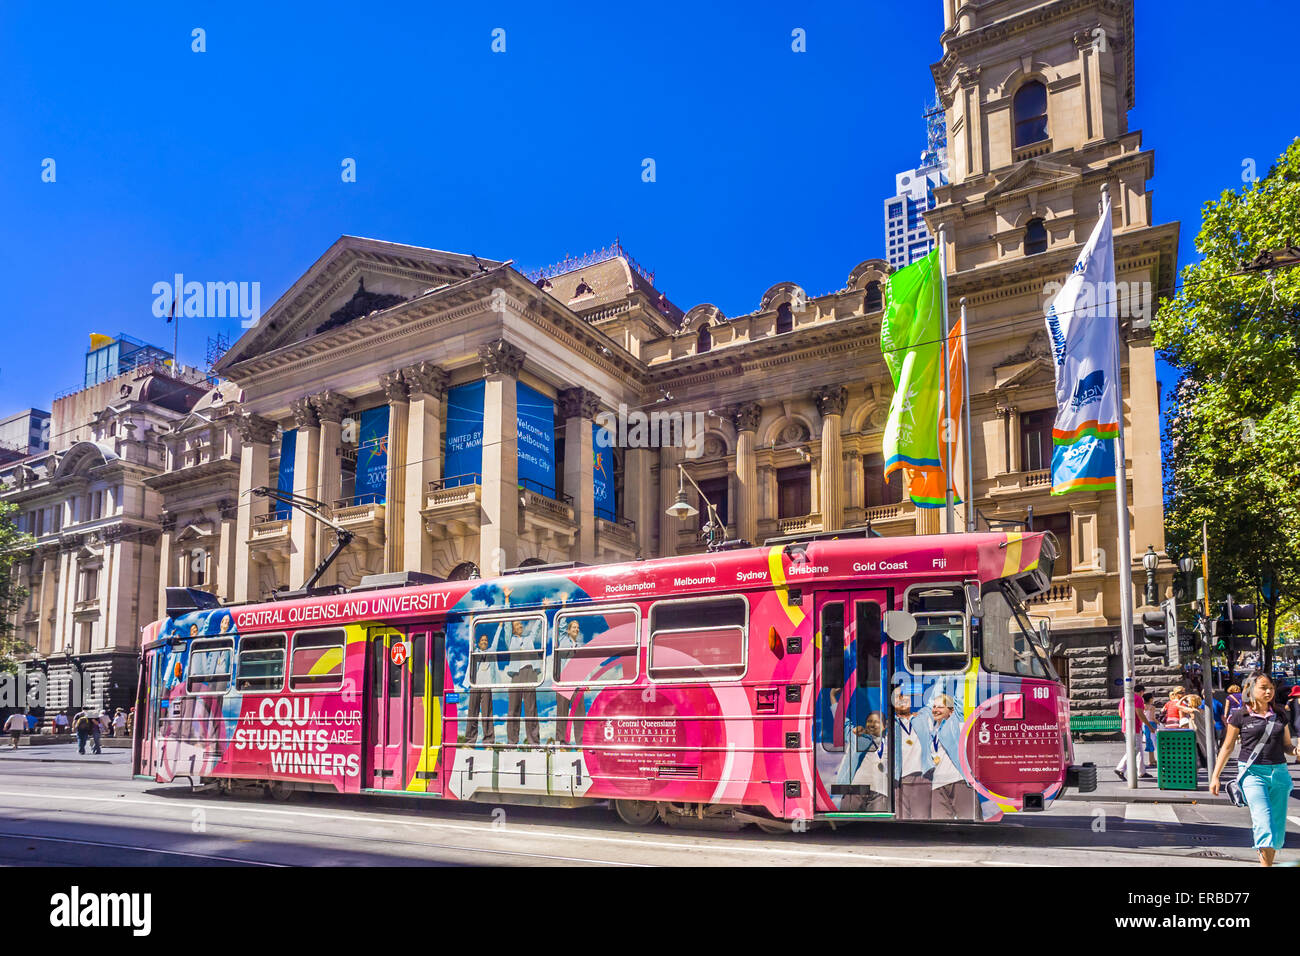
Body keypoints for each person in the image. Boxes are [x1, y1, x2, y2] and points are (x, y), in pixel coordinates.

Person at [1210, 671, 1300, 867]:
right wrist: (1215, 776)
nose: (1269, 691)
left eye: (1271, 688)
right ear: (1250, 689)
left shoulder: (1279, 714)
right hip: (1252, 774)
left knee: (1276, 830)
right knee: (1264, 823)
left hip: (1279, 774)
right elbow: (1227, 747)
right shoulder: (1240, 715)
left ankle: (1267, 861)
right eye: (1263, 687)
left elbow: (1287, 746)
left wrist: (1296, 750)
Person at [498, 588, 542, 747]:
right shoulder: (511, 640)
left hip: (530, 672)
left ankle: (534, 742)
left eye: (521, 624)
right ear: (513, 628)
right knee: (513, 709)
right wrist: (507, 600)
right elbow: (507, 623)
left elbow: (537, 627)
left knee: (531, 709)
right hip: (516, 674)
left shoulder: (529, 638)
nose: (520, 626)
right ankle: (512, 742)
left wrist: (543, 609)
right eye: (517, 625)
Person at [924, 692, 974, 820]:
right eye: (934, 707)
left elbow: (960, 698)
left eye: (940, 707)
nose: (935, 710)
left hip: (958, 781)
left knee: (970, 824)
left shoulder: (957, 726)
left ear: (951, 711)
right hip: (938, 784)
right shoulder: (932, 731)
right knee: (940, 827)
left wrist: (954, 674)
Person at [891, 686, 930, 820]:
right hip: (898, 779)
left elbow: (935, 697)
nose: (902, 698)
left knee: (922, 818)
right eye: (898, 696)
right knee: (901, 821)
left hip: (921, 777)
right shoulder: (888, 723)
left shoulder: (923, 717)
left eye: (905, 694)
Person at [462, 634, 496, 745]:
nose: (484, 641)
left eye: (486, 640)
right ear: (479, 642)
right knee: (472, 714)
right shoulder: (474, 651)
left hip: (486, 686)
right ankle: (469, 742)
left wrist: (500, 626)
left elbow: (495, 641)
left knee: (487, 714)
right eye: (482, 640)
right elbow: (471, 638)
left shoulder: (490, 653)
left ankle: (489, 742)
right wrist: (471, 619)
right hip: (474, 685)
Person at [1116, 686, 1154, 779]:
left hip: (1126, 726)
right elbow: (1140, 713)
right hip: (1135, 727)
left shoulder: (1124, 698)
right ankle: (1120, 768)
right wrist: (1149, 726)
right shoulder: (1138, 699)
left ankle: (1142, 771)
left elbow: (1120, 713)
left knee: (1139, 749)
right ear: (1141, 692)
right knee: (1135, 748)